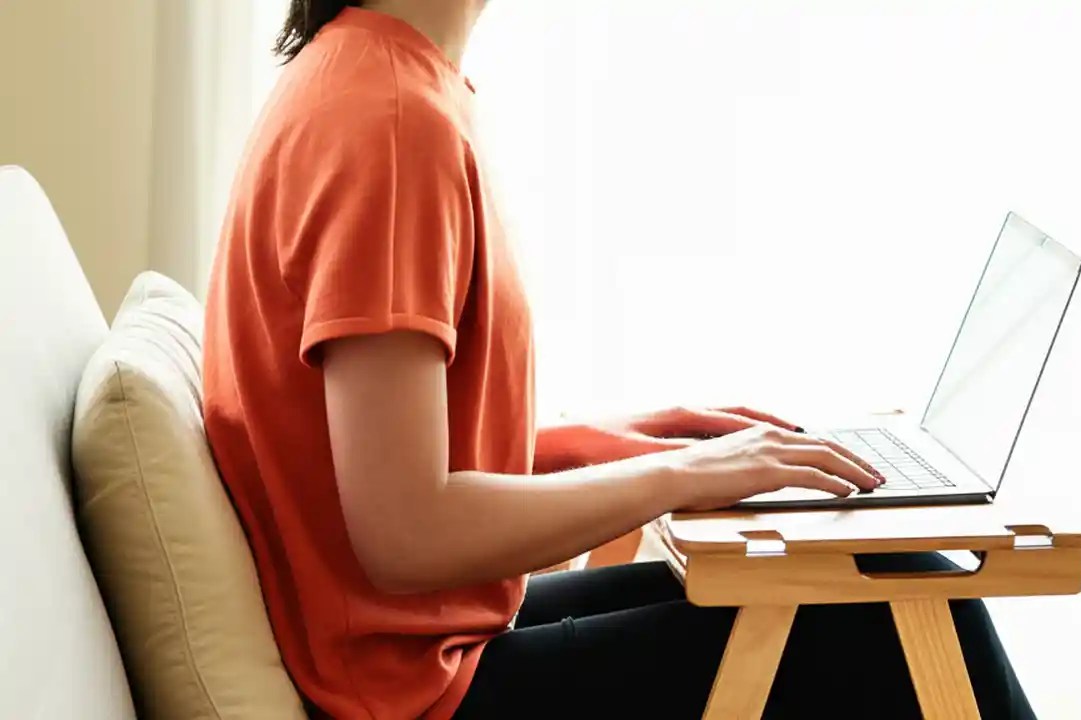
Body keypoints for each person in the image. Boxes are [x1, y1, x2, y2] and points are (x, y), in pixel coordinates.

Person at [202, 1, 1037, 717]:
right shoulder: (388, 121)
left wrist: (637, 441)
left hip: (427, 653)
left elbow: (388, 455)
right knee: (902, 614)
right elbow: (404, 532)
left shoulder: (375, 77)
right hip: (421, 693)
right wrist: (681, 481)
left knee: (889, 571)